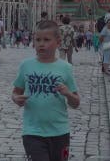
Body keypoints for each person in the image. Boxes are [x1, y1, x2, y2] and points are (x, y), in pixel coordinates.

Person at [12, 20, 79, 161]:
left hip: (60, 133)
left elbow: (76, 103)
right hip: (32, 132)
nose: (41, 44)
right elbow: (16, 91)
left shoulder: (65, 68)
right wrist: (16, 99)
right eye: (37, 40)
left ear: (58, 42)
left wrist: (68, 94)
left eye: (46, 40)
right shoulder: (26, 66)